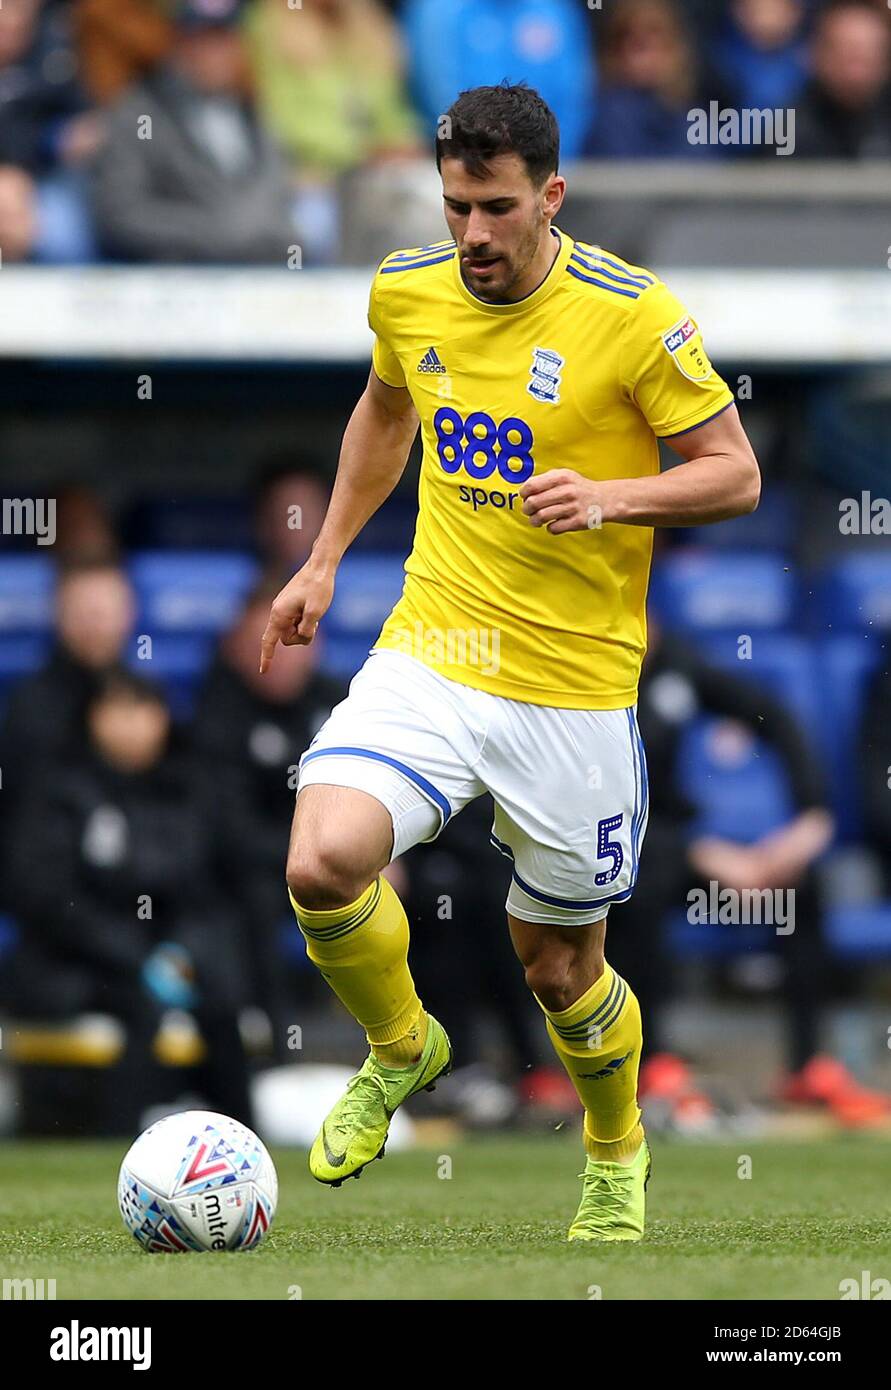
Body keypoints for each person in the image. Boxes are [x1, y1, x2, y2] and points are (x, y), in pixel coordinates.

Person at [260, 82, 760, 1242]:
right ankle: (402, 1047)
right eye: (454, 207)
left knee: (558, 971)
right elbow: (386, 410)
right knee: (323, 861)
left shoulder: (634, 316)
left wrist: (615, 494)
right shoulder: (406, 287)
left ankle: (614, 1148)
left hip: (572, 688)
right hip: (434, 646)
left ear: (551, 195)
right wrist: (324, 558)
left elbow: (734, 473)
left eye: (494, 208)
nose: (473, 235)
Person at [3, 669, 253, 1133]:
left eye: (144, 710)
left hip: (176, 957)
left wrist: (179, 954)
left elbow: (210, 888)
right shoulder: (60, 788)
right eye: (118, 710)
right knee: (144, 1007)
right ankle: (120, 1144)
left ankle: (240, 1137)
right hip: (79, 964)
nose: (132, 725)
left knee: (222, 1004)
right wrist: (138, 959)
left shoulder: (188, 786)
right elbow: (46, 897)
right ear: (92, 718)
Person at [91, 0, 297, 263]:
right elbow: (119, 214)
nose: (218, 54)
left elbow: (276, 190)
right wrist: (214, 231)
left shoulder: (251, 111)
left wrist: (252, 231)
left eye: (225, 39)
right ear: (180, 44)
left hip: (258, 269)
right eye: (205, 41)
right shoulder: (141, 112)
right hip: (175, 274)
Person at [793, 0, 891, 159]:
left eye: (867, 58)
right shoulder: (788, 131)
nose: (856, 74)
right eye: (847, 57)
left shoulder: (885, 120)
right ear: (817, 55)